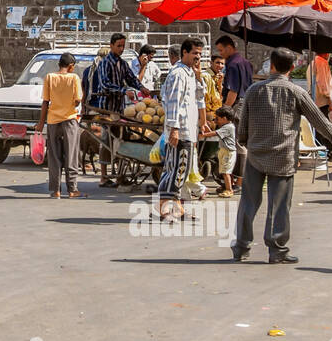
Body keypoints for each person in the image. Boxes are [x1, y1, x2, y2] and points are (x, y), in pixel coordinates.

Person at [231, 48, 332, 263]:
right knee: (279, 207)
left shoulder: (253, 90)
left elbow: (243, 122)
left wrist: (244, 141)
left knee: (248, 202)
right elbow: (318, 119)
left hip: (256, 155)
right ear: (292, 67)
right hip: (284, 157)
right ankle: (277, 250)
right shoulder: (296, 92)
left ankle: (241, 247)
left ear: (272, 65)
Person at [158, 39, 205, 220]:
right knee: (177, 169)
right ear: (184, 53)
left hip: (188, 129)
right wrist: (174, 128)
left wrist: (199, 76)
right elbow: (173, 103)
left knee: (179, 170)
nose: (198, 57)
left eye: (200, 54)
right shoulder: (178, 74)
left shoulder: (190, 73)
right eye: (195, 53)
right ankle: (165, 207)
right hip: (180, 129)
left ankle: (176, 208)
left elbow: (199, 95)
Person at [34, 52, 85, 199]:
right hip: (69, 120)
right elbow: (78, 100)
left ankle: (55, 190)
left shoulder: (50, 77)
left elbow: (45, 102)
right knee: (71, 156)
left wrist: (40, 123)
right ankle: (72, 189)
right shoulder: (74, 78)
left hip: (52, 121)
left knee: (54, 156)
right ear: (70, 66)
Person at [82, 33, 147, 113]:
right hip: (106, 107)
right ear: (111, 45)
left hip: (119, 107)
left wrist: (141, 88)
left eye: (123, 46)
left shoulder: (123, 64)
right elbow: (105, 84)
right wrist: (124, 91)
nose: (121, 49)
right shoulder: (105, 63)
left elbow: (131, 79)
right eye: (119, 46)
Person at [203, 105, 238, 198]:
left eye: (218, 118)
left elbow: (215, 133)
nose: (216, 121)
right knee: (225, 171)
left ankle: (229, 190)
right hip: (224, 151)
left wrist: (203, 135)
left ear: (225, 118)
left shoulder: (228, 127)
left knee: (226, 172)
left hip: (228, 152)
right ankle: (226, 186)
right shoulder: (226, 126)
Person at [307, 52, 332, 123]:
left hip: (315, 100)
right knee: (325, 127)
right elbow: (323, 83)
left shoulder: (313, 62)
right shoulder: (322, 62)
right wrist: (329, 99)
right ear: (325, 53)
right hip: (322, 101)